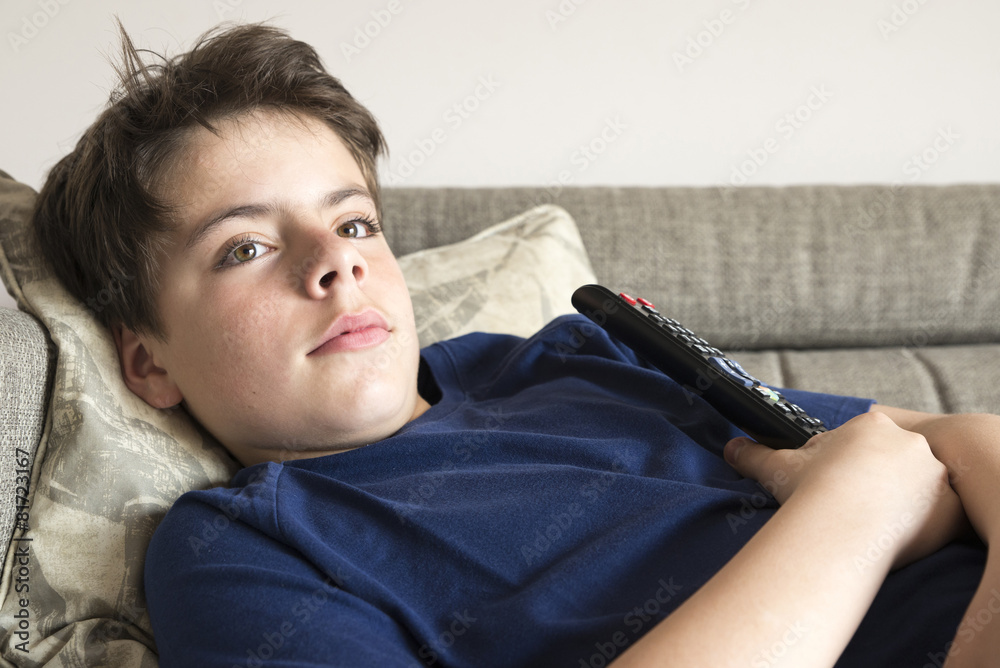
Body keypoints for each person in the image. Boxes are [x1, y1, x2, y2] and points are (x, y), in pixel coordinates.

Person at [30, 20, 1000, 668]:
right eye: (246, 245)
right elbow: (883, 471)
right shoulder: (237, 545)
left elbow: (953, 441)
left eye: (356, 222)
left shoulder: (557, 354)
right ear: (147, 358)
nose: (337, 263)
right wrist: (858, 510)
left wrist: (882, 490)